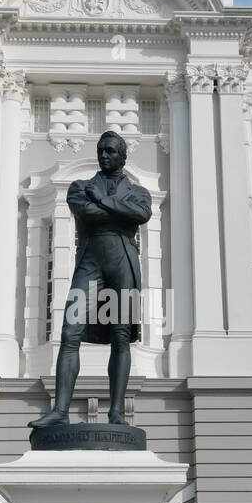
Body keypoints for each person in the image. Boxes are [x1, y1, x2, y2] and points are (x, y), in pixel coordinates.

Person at [29, 131, 151, 428]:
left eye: (110, 151)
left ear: (123, 155)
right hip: (90, 261)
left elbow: (141, 214)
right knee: (70, 333)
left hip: (124, 262)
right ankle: (60, 410)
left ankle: (117, 412)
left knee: (121, 336)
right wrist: (116, 210)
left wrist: (104, 202)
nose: (104, 155)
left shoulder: (140, 192)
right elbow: (89, 213)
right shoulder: (80, 187)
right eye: (101, 150)